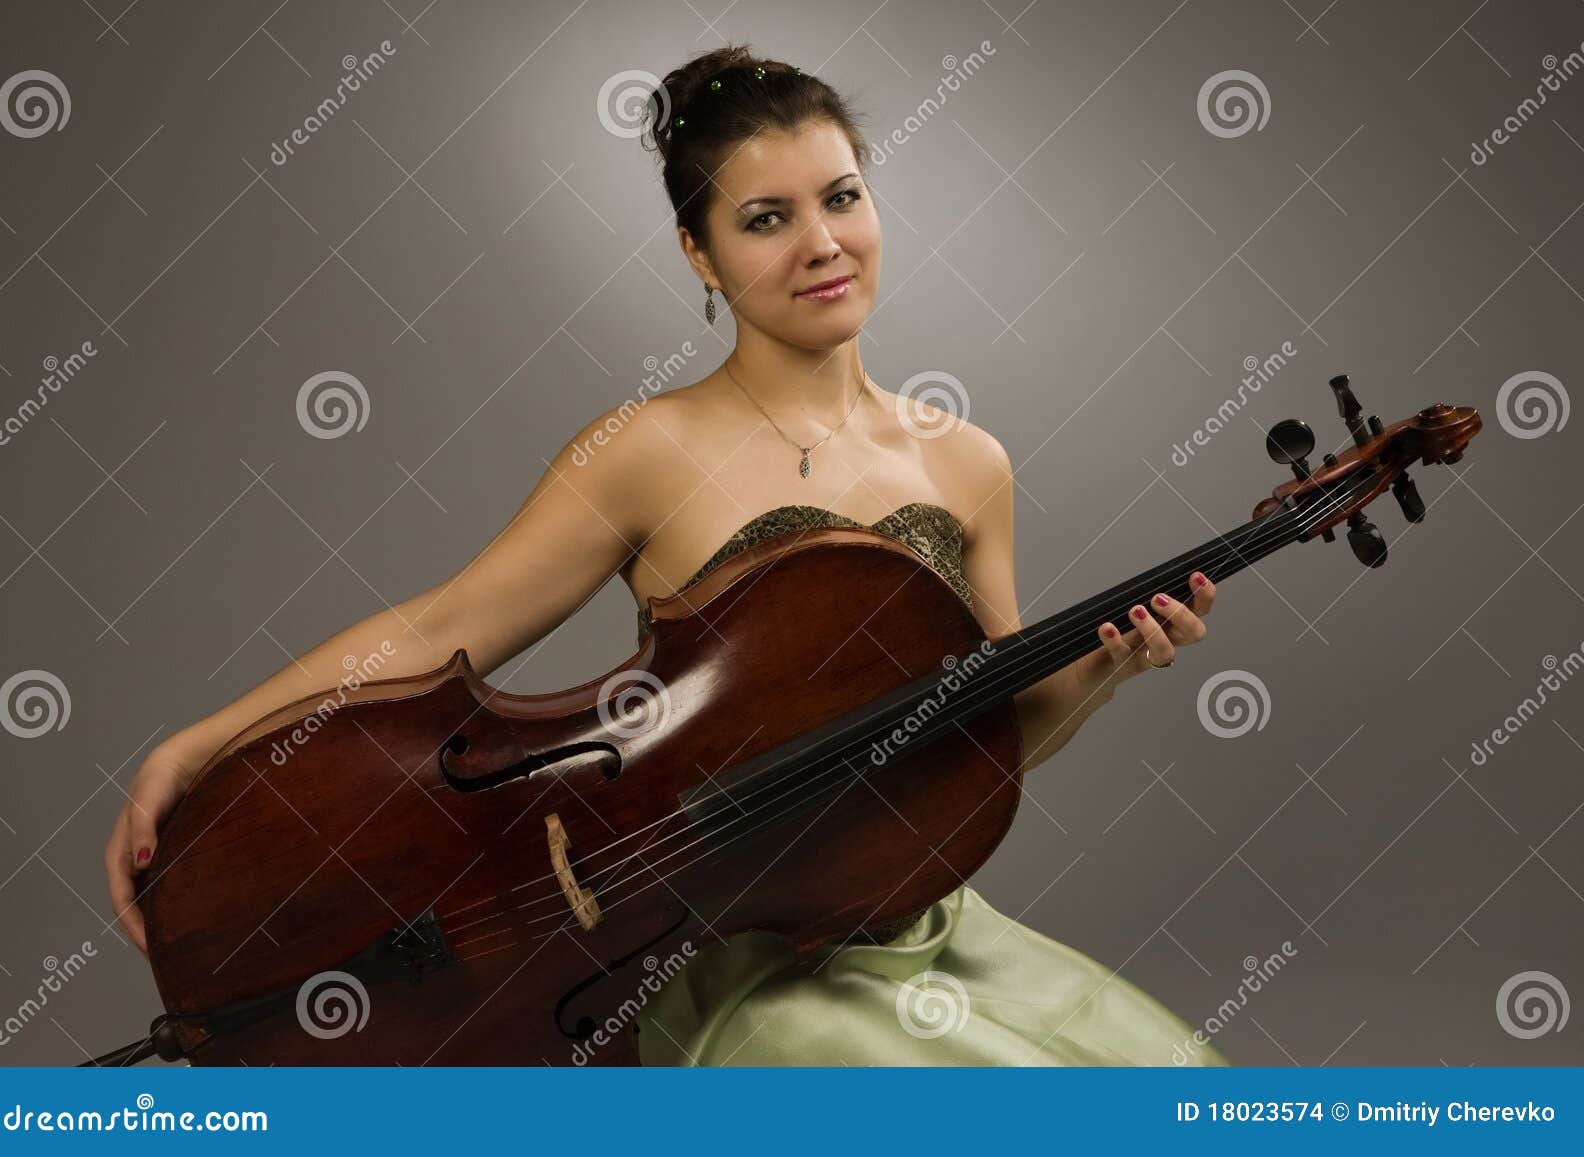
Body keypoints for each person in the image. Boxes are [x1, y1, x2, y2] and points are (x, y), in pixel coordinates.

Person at [104, 43, 1224, 1067]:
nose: (823, 242)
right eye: (766, 218)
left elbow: (980, 738)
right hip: (720, 945)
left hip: (905, 919)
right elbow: (436, 629)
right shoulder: (644, 447)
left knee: (1167, 1082)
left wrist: (1103, 670)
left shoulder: (968, 460)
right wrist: (197, 747)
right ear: (698, 249)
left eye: (841, 198)